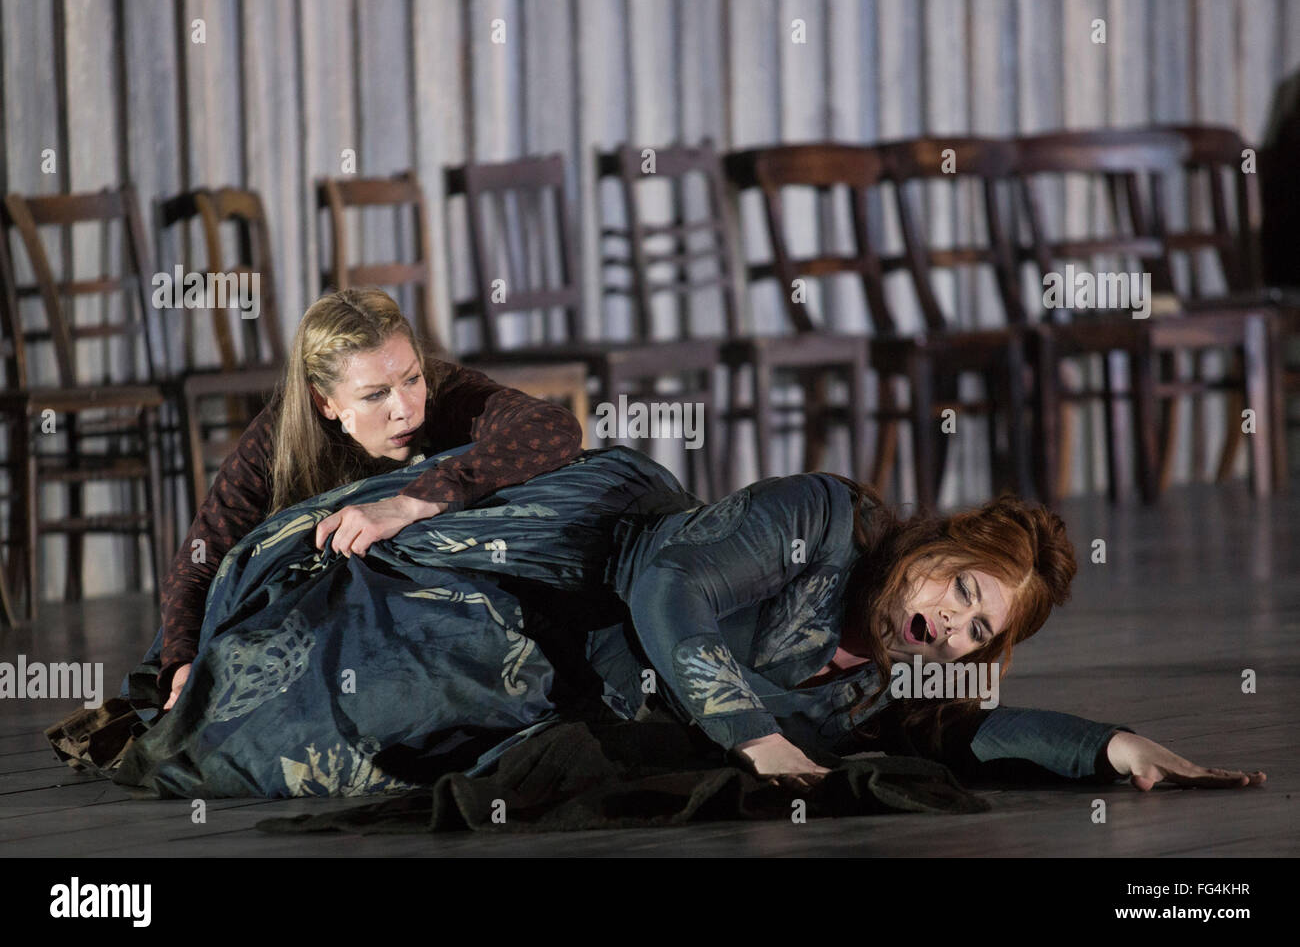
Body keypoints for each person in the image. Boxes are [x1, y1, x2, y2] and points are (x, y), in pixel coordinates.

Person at [105, 420, 1265, 799]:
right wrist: (750, 732)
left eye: (980, 632)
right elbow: (667, 583)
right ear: (935, 546)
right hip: (563, 611)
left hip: (595, 703)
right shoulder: (821, 517)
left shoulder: (905, 665)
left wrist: (1105, 745)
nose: (951, 630)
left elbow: (952, 728)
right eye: (961, 591)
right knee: (334, 703)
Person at [156, 287, 585, 710]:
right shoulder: (279, 438)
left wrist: (412, 502)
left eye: (411, 378)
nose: (404, 408)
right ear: (324, 402)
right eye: (375, 394)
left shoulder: (447, 393)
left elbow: (550, 428)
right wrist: (182, 663)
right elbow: (201, 556)